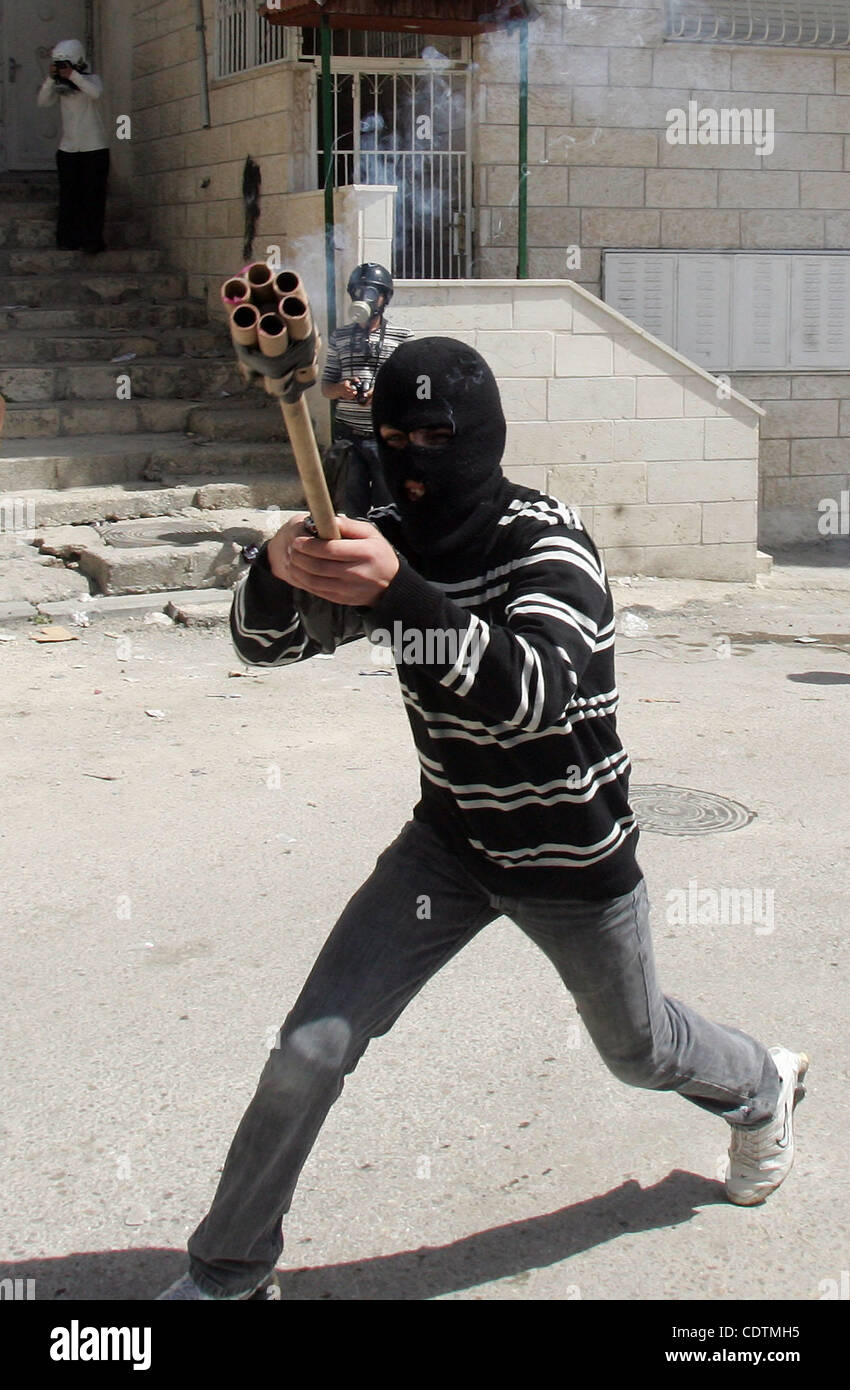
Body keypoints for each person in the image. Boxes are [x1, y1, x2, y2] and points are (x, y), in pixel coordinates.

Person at [158, 337, 808, 1301]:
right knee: (307, 1050)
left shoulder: (545, 539)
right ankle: (229, 1272)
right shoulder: (388, 533)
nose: (413, 457)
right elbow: (266, 646)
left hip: (571, 858)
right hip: (451, 842)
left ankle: (762, 1087)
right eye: (392, 436)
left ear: (481, 436)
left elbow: (536, 692)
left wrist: (399, 591)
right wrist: (279, 567)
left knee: (641, 1053)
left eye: (434, 435)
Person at [321, 263, 411, 517]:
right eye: (359, 292)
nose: (365, 298)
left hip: (386, 438)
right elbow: (325, 387)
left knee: (389, 511)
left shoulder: (403, 337)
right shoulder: (339, 337)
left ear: (386, 298)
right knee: (349, 510)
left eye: (373, 293)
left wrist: (383, 394)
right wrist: (339, 389)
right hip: (348, 437)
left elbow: (415, 387)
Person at [37, 39, 109, 255]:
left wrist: (74, 75)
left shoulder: (91, 79)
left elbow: (96, 93)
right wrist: (51, 79)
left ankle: (92, 240)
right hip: (68, 149)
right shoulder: (60, 86)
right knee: (69, 196)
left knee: (93, 196)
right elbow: (43, 102)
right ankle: (68, 238)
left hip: (94, 147)